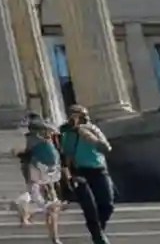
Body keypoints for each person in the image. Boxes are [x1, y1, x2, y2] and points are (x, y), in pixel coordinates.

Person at [60, 104, 115, 244]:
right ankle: (98, 236)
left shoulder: (93, 129)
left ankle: (98, 230)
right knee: (89, 206)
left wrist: (88, 134)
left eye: (84, 116)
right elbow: (67, 156)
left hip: (99, 170)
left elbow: (106, 148)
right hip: (80, 172)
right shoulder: (68, 134)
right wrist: (68, 176)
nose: (83, 119)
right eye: (77, 116)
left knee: (107, 204)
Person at [13, 119, 64, 244]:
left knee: (52, 209)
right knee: (51, 208)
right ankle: (24, 208)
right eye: (46, 131)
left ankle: (54, 237)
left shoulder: (43, 144)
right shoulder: (40, 145)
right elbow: (38, 165)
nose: (50, 133)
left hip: (46, 180)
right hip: (42, 181)